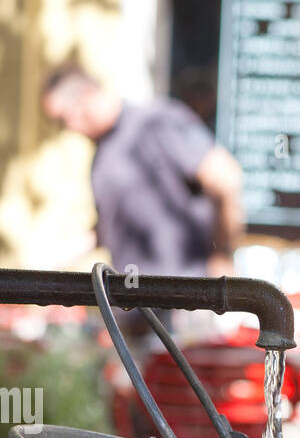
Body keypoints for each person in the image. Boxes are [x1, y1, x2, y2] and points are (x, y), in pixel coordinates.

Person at [41, 65, 244, 280]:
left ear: (86, 96)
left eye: (64, 119)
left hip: (187, 294)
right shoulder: (100, 159)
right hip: (135, 303)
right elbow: (113, 226)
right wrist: (58, 258)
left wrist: (222, 257)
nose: (69, 128)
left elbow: (225, 177)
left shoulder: (156, 122)